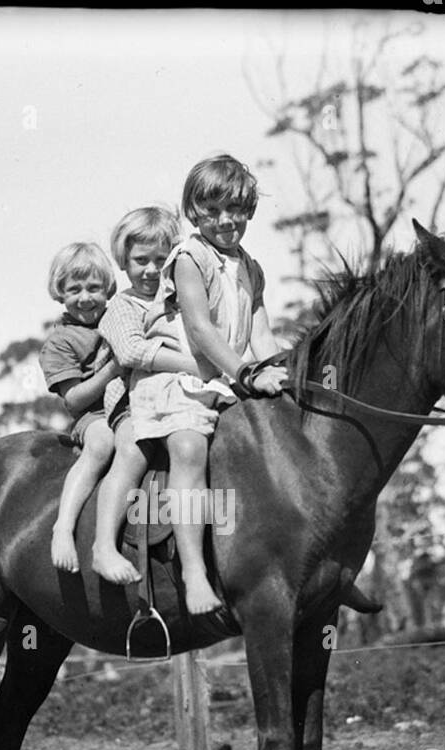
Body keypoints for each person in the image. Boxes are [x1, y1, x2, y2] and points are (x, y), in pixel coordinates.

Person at [134, 154, 286, 614]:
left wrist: (285, 372)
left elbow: (261, 335)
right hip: (182, 379)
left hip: (229, 380)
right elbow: (200, 329)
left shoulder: (251, 267)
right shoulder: (189, 258)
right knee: (189, 448)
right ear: (194, 213)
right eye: (213, 211)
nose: (226, 221)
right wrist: (245, 373)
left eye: (237, 210)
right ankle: (194, 573)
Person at [92, 206, 205, 584]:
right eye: (141, 260)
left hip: (181, 398)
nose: (152, 270)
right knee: (131, 450)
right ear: (124, 262)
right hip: (131, 402)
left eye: (162, 259)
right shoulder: (120, 307)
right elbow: (131, 352)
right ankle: (103, 545)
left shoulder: (179, 300)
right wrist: (194, 365)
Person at [40, 242, 128, 572]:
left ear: (108, 289)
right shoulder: (61, 340)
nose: (85, 298)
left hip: (133, 406)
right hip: (95, 415)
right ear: (59, 293)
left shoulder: (120, 318)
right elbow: (73, 399)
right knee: (103, 442)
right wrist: (112, 370)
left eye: (93, 288)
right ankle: (63, 526)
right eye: (74, 290)